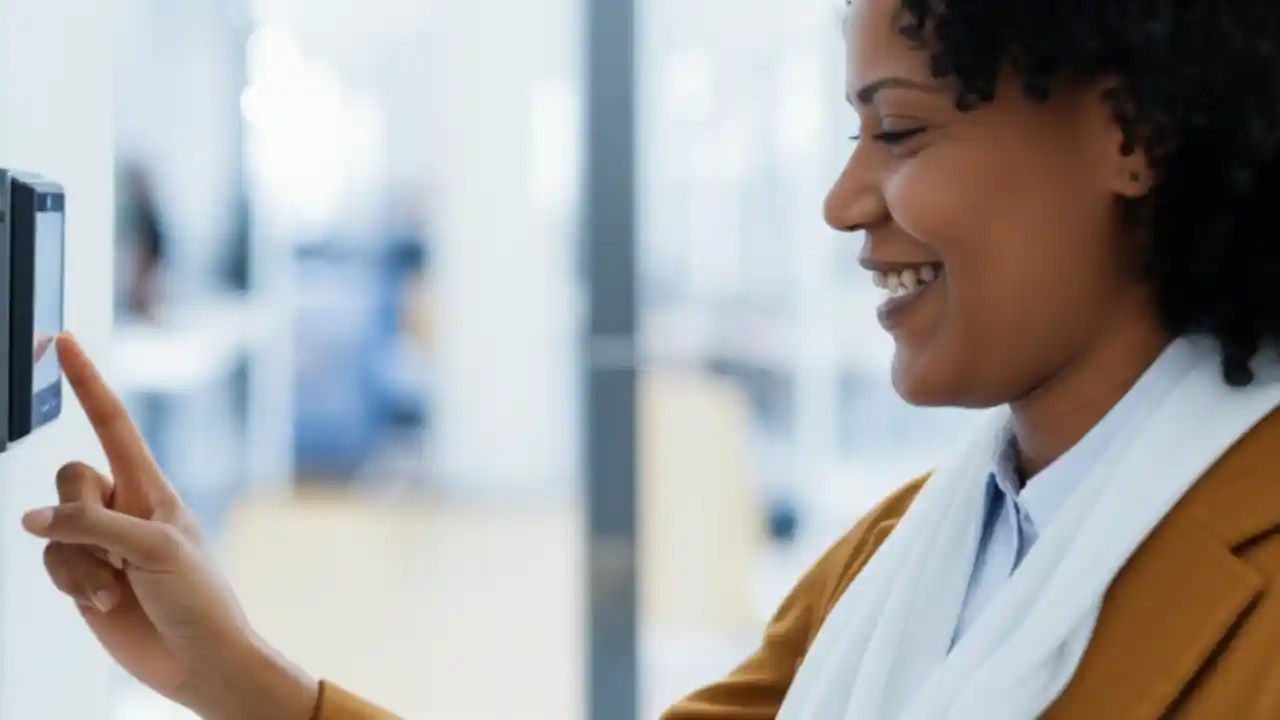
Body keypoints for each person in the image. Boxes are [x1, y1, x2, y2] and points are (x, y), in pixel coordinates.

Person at [20, 0, 1280, 716]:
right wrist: (238, 676)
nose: (843, 200)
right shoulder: (905, 549)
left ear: (1128, 135)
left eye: (898, 131)